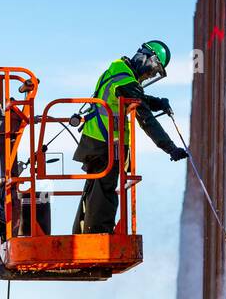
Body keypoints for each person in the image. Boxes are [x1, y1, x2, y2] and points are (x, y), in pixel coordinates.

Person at [73, 40, 188, 235]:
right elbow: (145, 118)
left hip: (96, 140)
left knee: (95, 189)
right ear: (147, 61)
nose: (148, 76)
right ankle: (99, 237)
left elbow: (137, 98)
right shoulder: (125, 80)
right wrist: (170, 147)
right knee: (105, 191)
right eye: (152, 71)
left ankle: (83, 233)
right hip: (106, 143)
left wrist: (158, 102)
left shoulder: (118, 72)